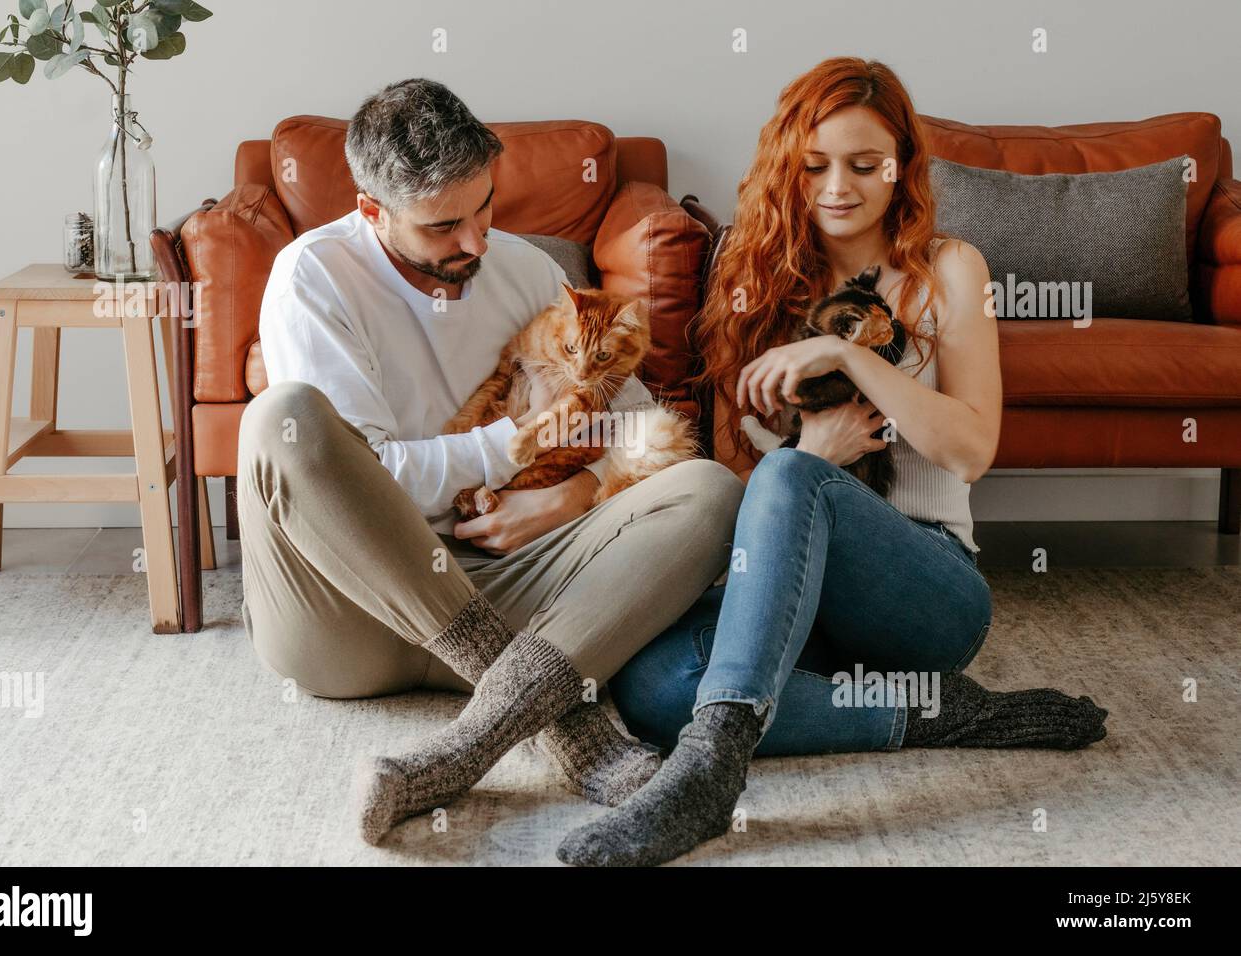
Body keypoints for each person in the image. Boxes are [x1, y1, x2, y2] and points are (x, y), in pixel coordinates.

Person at [558, 57, 1110, 867]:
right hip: (801, 594)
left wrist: (849, 359)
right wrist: (811, 456)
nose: (838, 186)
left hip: (926, 587)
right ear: (789, 165)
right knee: (655, 689)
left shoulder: (952, 269)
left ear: (903, 167)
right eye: (815, 165)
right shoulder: (755, 274)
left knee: (791, 476)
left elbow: (972, 447)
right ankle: (933, 714)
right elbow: (744, 497)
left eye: (864, 164)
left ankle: (710, 774)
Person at [238, 78, 744, 844]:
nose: (475, 242)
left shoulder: (524, 269)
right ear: (372, 212)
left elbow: (640, 423)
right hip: (350, 619)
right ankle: (567, 728)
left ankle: (465, 743)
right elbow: (375, 478)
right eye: (443, 226)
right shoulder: (312, 275)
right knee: (284, 418)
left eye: (486, 208)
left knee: (707, 490)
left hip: (514, 588)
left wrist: (572, 494)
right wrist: (522, 441)